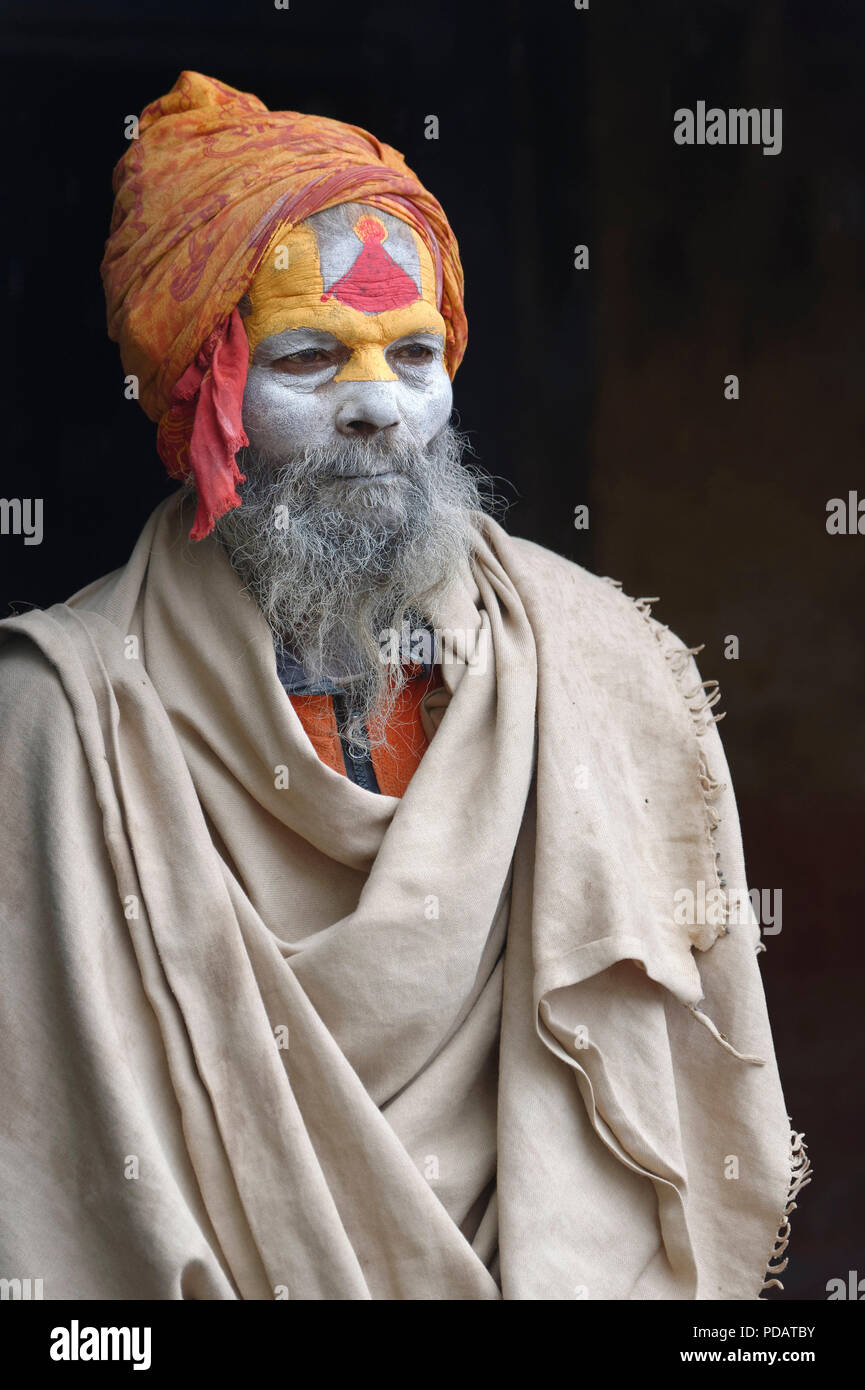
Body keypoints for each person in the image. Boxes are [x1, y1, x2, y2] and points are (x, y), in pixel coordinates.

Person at [0, 71, 808, 1301]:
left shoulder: (601, 657)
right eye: (310, 358)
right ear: (199, 399)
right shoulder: (56, 717)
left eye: (415, 354)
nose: (379, 406)